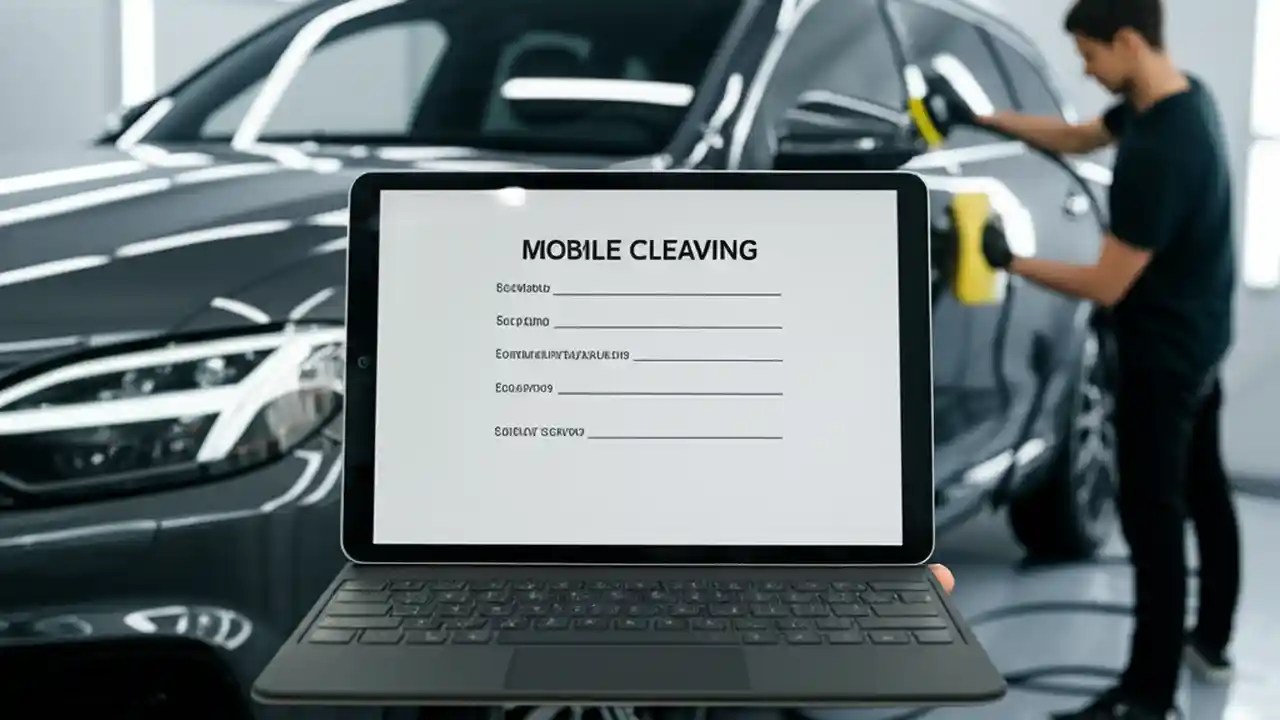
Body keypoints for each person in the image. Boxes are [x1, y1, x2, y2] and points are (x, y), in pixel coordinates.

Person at [976, 0, 1242, 717]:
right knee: (1207, 494)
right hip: (1205, 338)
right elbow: (1076, 135)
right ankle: (1210, 643)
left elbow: (1105, 283)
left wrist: (1012, 260)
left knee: (1152, 520)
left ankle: (1146, 696)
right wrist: (988, 121)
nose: (1086, 71)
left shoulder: (1160, 152)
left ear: (1127, 41)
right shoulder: (1180, 103)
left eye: (1091, 54)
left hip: (1162, 357)